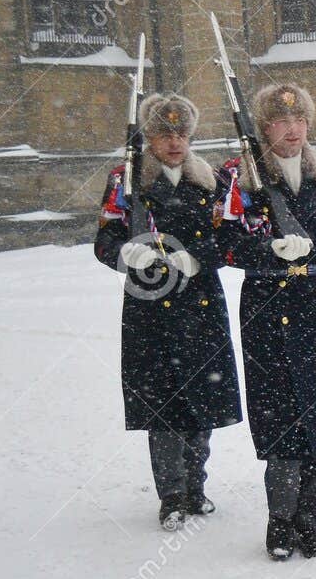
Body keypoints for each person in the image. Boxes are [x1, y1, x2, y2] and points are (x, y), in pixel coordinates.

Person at [216, 83, 316, 560]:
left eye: (300, 121)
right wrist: (267, 249)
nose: (294, 130)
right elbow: (220, 242)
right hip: (267, 310)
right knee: (281, 422)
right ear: (264, 128)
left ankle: (312, 522)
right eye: (283, 123)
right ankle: (280, 523)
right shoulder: (238, 178)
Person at [94, 92, 242, 530]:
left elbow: (231, 238)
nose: (174, 141)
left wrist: (198, 256)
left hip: (200, 305)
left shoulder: (212, 180)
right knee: (163, 404)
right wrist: (126, 255)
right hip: (150, 308)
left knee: (203, 396)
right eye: (164, 133)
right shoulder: (127, 180)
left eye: (181, 132)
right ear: (149, 136)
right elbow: (103, 240)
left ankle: (196, 486)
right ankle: (172, 494)